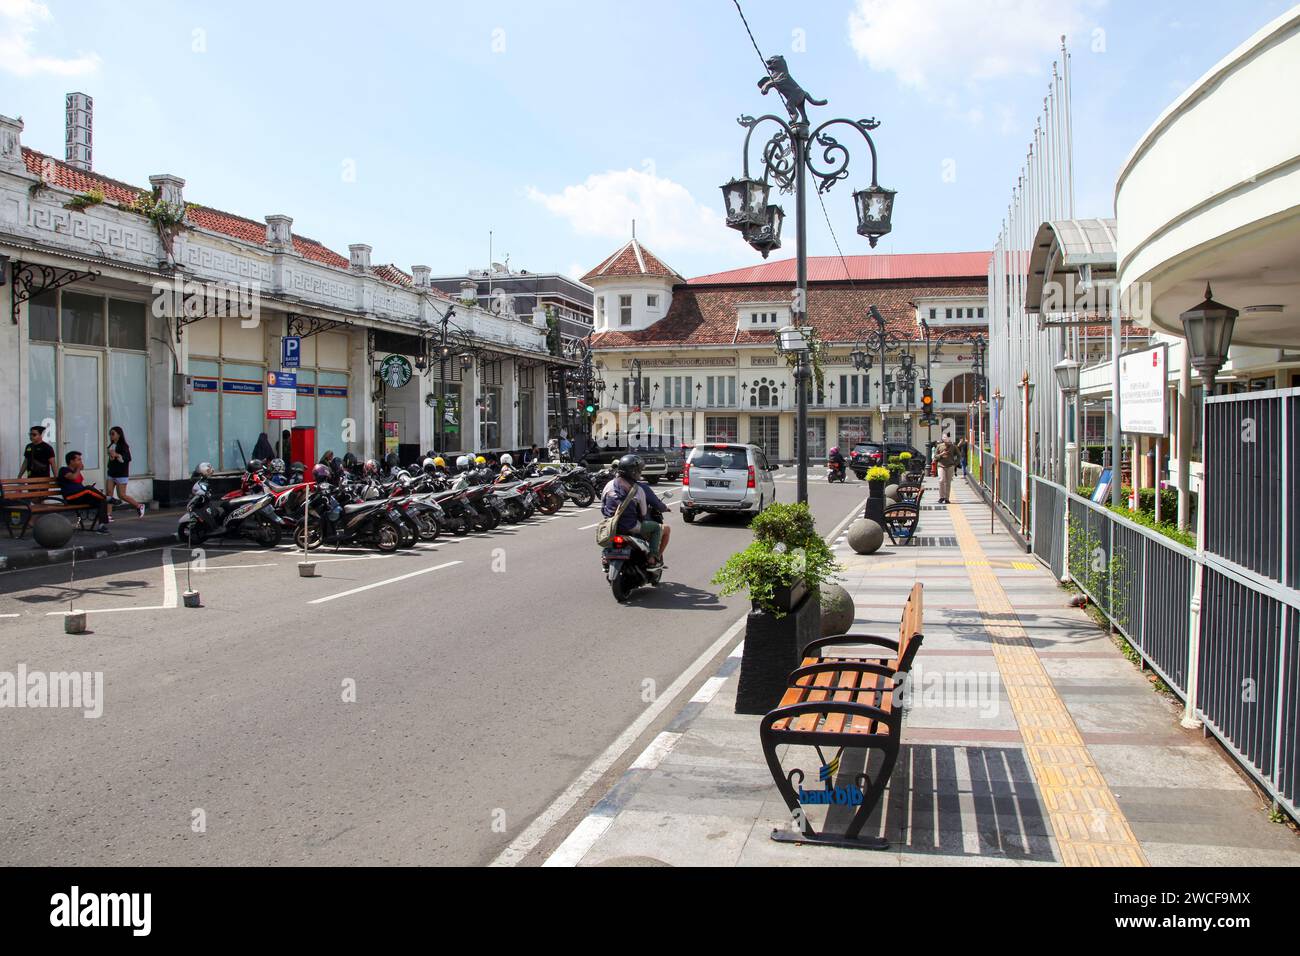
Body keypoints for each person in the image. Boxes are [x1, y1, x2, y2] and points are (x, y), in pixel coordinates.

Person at [600, 454, 668, 567]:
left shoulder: (609, 484)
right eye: (639, 470)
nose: (640, 473)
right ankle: (652, 558)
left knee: (608, 538)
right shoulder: (638, 489)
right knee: (656, 528)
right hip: (630, 526)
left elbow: (603, 506)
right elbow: (644, 512)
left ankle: (605, 556)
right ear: (633, 472)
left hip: (611, 525)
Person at [57, 451, 110, 533]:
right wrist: (78, 469)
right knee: (88, 489)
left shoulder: (76, 471)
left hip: (81, 496)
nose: (81, 462)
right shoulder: (64, 470)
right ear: (71, 461)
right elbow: (73, 478)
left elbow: (78, 483)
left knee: (101, 500)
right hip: (71, 497)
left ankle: (101, 526)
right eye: (78, 460)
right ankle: (107, 498)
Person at [106, 426, 146, 518]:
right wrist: (111, 458)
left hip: (121, 474)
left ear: (119, 435)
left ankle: (139, 506)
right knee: (109, 494)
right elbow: (111, 459)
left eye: (113, 434)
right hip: (111, 473)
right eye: (110, 434)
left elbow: (127, 458)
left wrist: (117, 455)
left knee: (122, 495)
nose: (111, 436)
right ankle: (108, 514)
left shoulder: (124, 446)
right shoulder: (111, 446)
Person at [935, 433, 958, 504]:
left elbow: (959, 455)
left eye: (947, 438)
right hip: (941, 465)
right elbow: (935, 456)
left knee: (948, 482)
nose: (946, 440)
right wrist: (941, 454)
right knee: (941, 480)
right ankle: (941, 497)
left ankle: (947, 498)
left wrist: (955, 463)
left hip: (950, 466)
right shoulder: (939, 446)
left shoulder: (953, 446)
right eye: (944, 438)